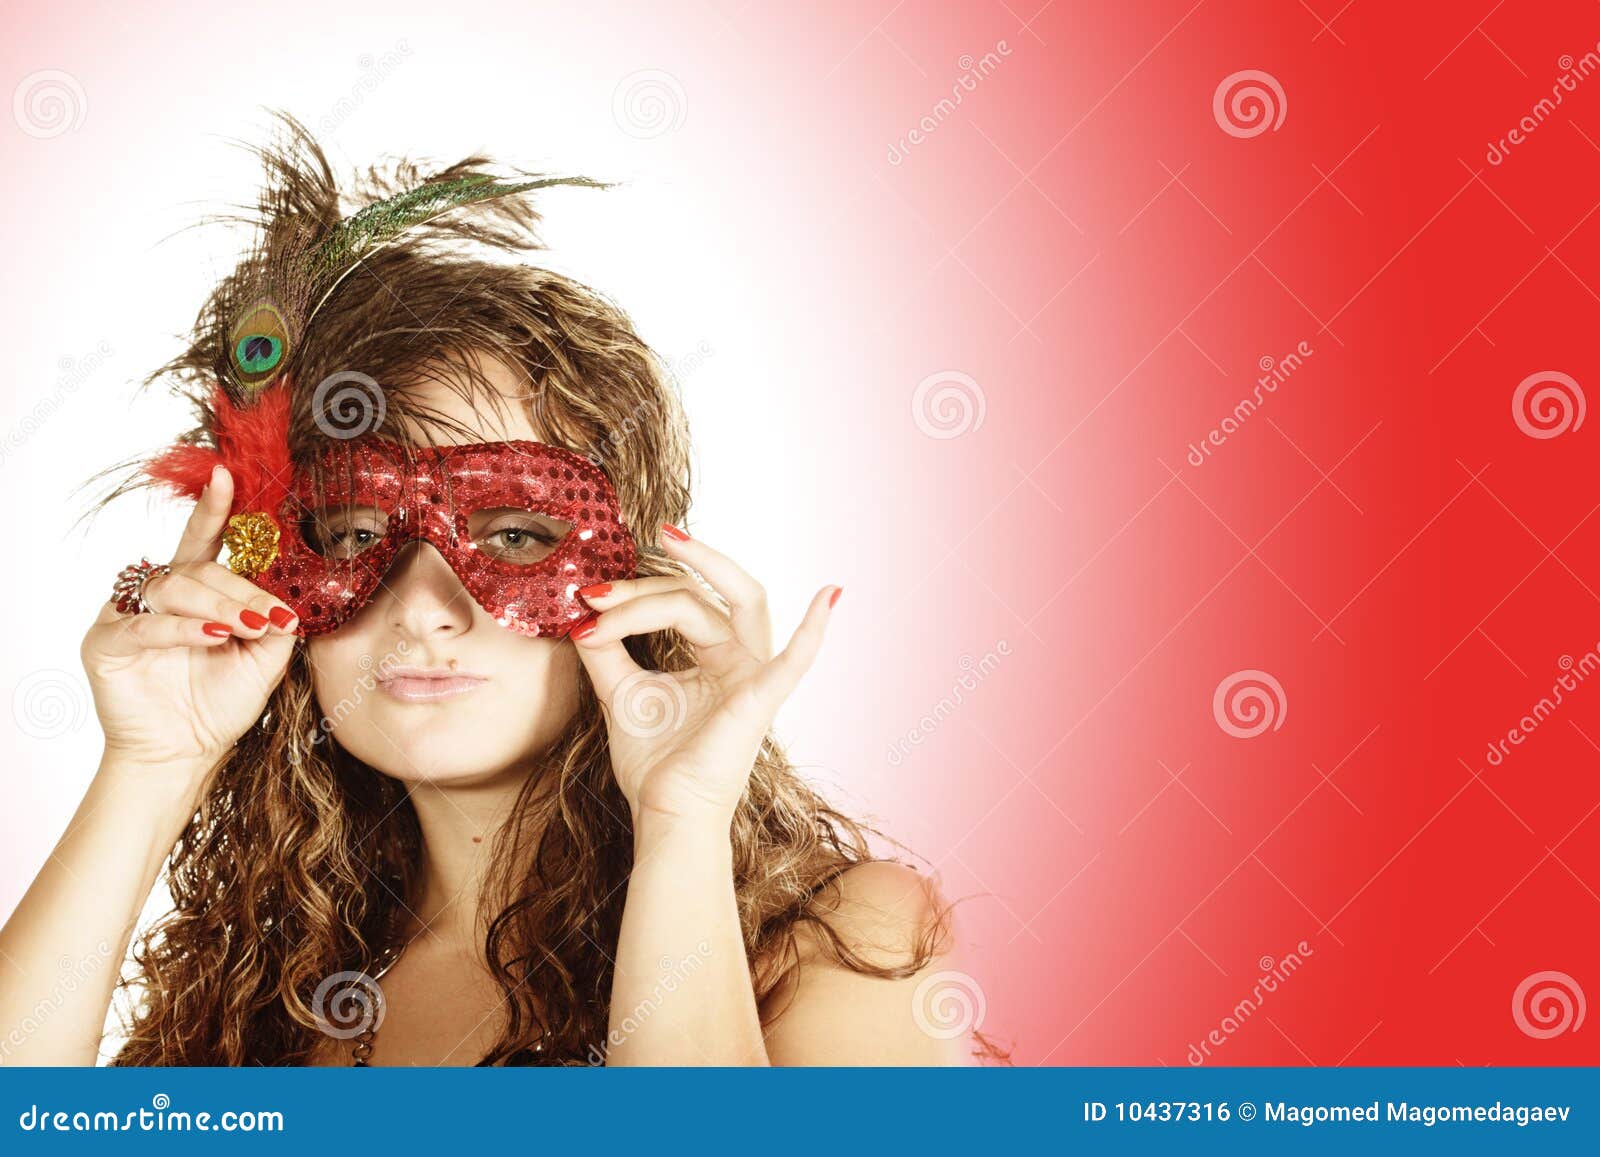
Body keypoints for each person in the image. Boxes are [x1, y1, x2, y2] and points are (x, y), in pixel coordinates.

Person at [0, 113, 982, 1066]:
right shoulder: (270, 993)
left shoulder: (840, 940)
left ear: (639, 578)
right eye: (352, 535)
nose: (424, 607)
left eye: (515, 533)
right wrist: (152, 765)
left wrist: (682, 829)